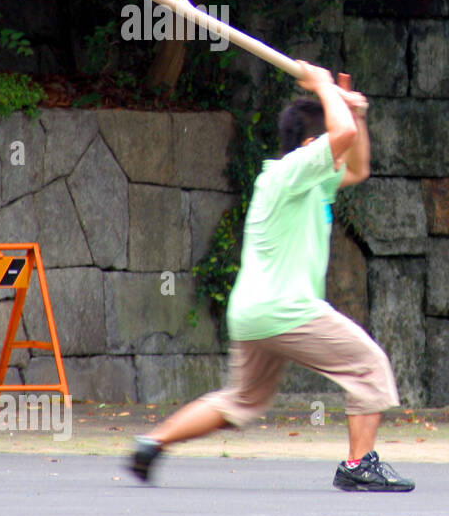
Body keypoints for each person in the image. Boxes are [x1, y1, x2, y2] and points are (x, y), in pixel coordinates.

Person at [127, 61, 414, 492]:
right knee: (368, 366)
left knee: (241, 400)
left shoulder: (309, 181)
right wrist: (324, 87)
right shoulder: (291, 172)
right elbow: (342, 139)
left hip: (255, 314)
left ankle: (152, 443)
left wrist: (354, 113)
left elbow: (358, 167)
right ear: (311, 144)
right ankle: (359, 464)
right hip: (287, 309)